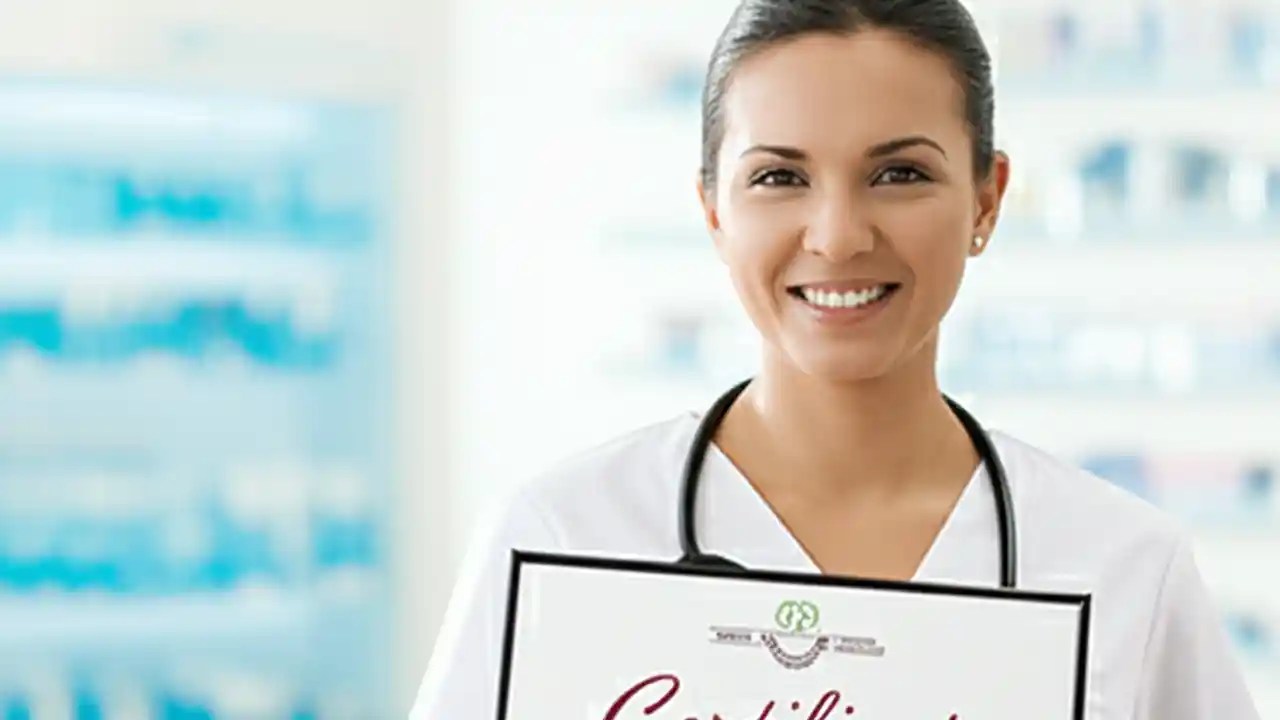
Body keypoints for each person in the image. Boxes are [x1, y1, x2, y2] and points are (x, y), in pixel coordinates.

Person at [409, 1, 1261, 718]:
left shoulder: (1125, 569)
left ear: (988, 199)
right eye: (780, 179)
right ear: (712, 211)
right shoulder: (563, 540)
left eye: (898, 174)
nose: (839, 235)